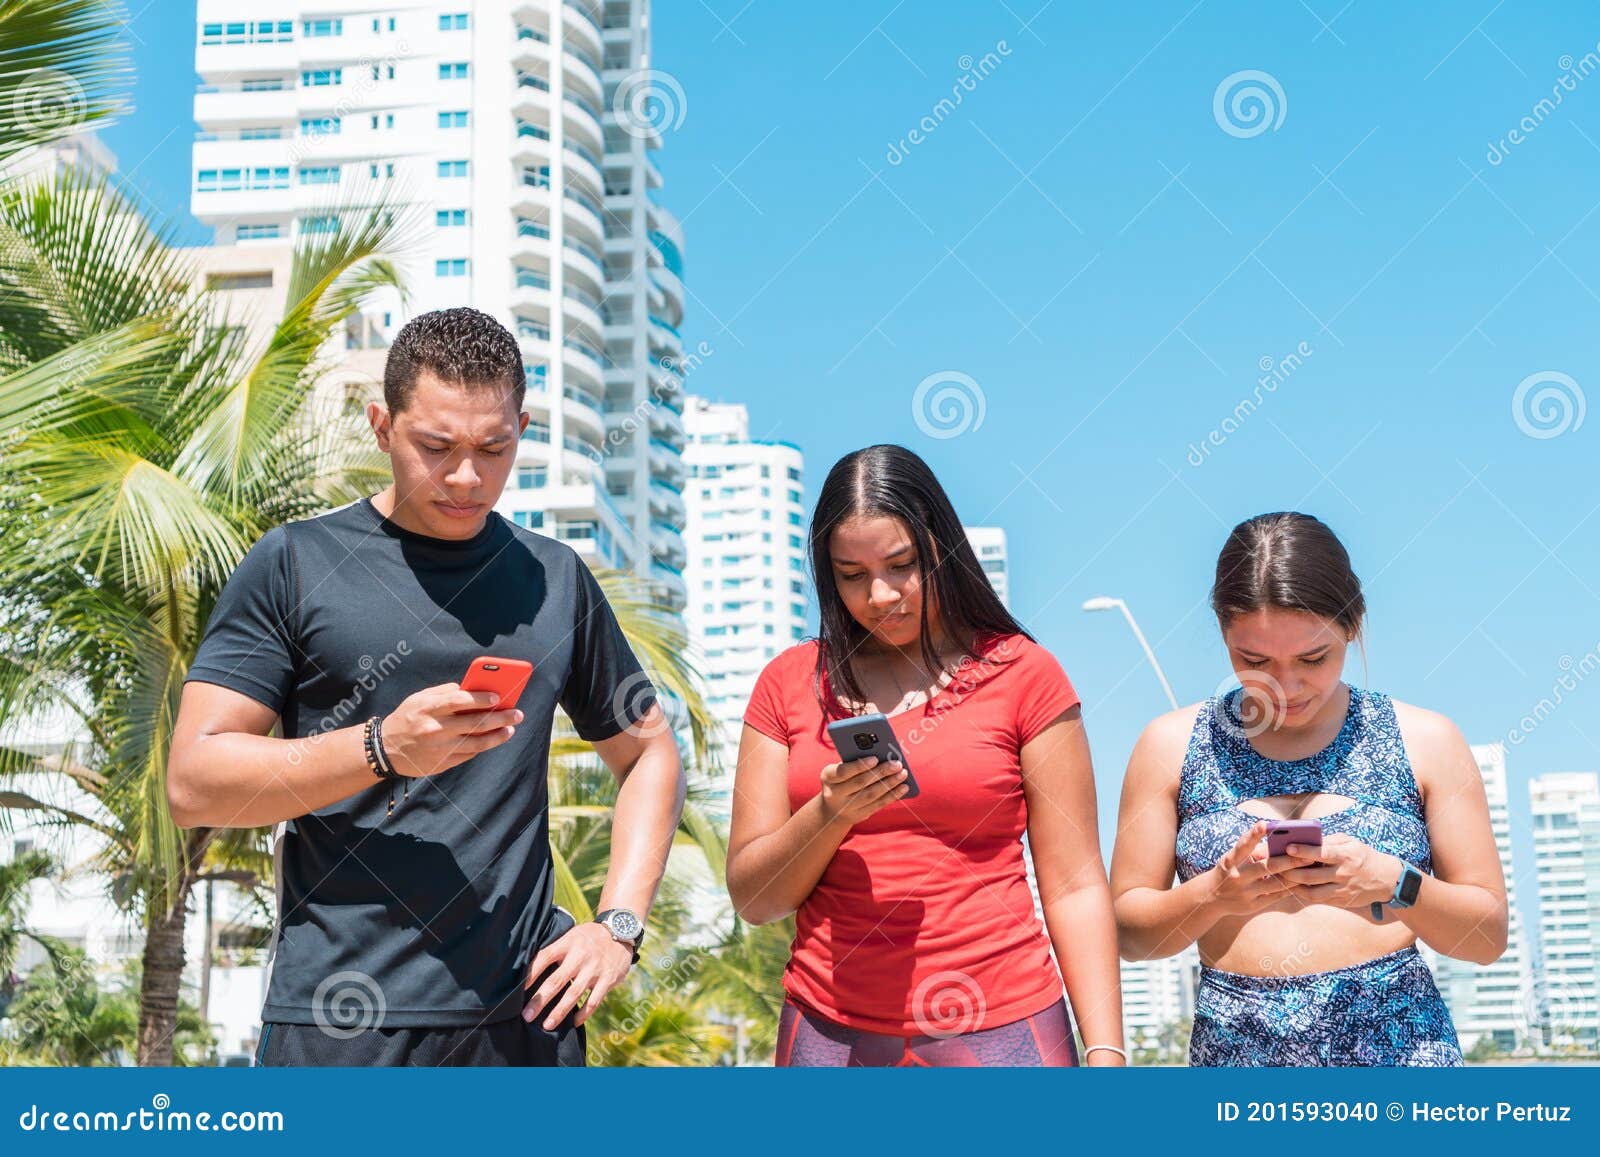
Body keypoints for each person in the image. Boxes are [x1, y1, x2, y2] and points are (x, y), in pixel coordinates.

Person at [166, 307, 685, 1067]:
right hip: (337, 1022)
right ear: (382, 426)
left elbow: (651, 755)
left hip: (525, 1020)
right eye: (435, 447)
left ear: (523, 427)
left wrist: (619, 927)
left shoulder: (557, 580)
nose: (468, 477)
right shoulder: (295, 562)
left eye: (494, 447)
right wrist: (382, 746)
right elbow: (194, 780)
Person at [727, 444, 1125, 1067]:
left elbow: (1074, 885)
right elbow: (756, 899)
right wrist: (829, 815)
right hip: (829, 1032)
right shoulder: (786, 683)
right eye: (852, 575)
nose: (881, 595)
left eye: (901, 565)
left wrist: (1106, 1052)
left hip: (1005, 1031)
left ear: (942, 548)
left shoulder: (1025, 674)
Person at [1111, 511, 1507, 1066]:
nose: (1287, 686)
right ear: (1223, 634)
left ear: (1354, 625)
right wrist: (1215, 894)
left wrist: (1393, 881)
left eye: (1313, 658)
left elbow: (1486, 938)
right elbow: (1130, 934)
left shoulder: (1427, 739)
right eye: (1254, 660)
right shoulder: (1169, 745)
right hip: (1235, 1059)